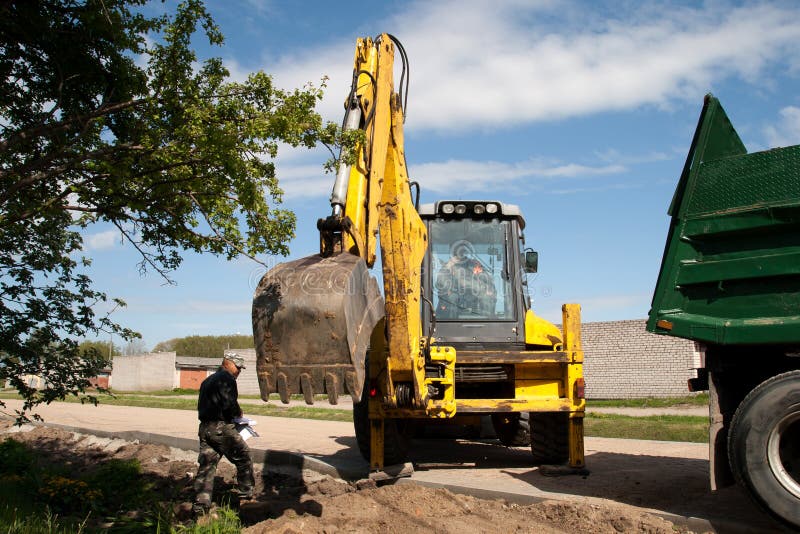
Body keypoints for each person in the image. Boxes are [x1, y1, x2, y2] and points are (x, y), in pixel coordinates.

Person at [193, 353, 254, 513]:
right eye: (238, 367)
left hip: (205, 428)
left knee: (207, 466)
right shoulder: (227, 379)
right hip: (221, 428)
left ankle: (201, 505)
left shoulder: (208, 380)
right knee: (244, 458)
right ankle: (246, 497)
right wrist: (238, 414)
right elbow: (228, 404)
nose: (239, 371)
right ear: (228, 364)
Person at [435, 242, 496, 318]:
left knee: (486, 297)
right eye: (457, 249)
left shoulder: (474, 264)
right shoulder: (448, 266)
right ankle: (452, 324)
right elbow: (440, 283)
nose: (460, 252)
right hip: (453, 300)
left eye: (462, 249)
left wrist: (485, 288)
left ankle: (490, 322)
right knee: (452, 298)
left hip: (473, 297)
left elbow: (487, 281)